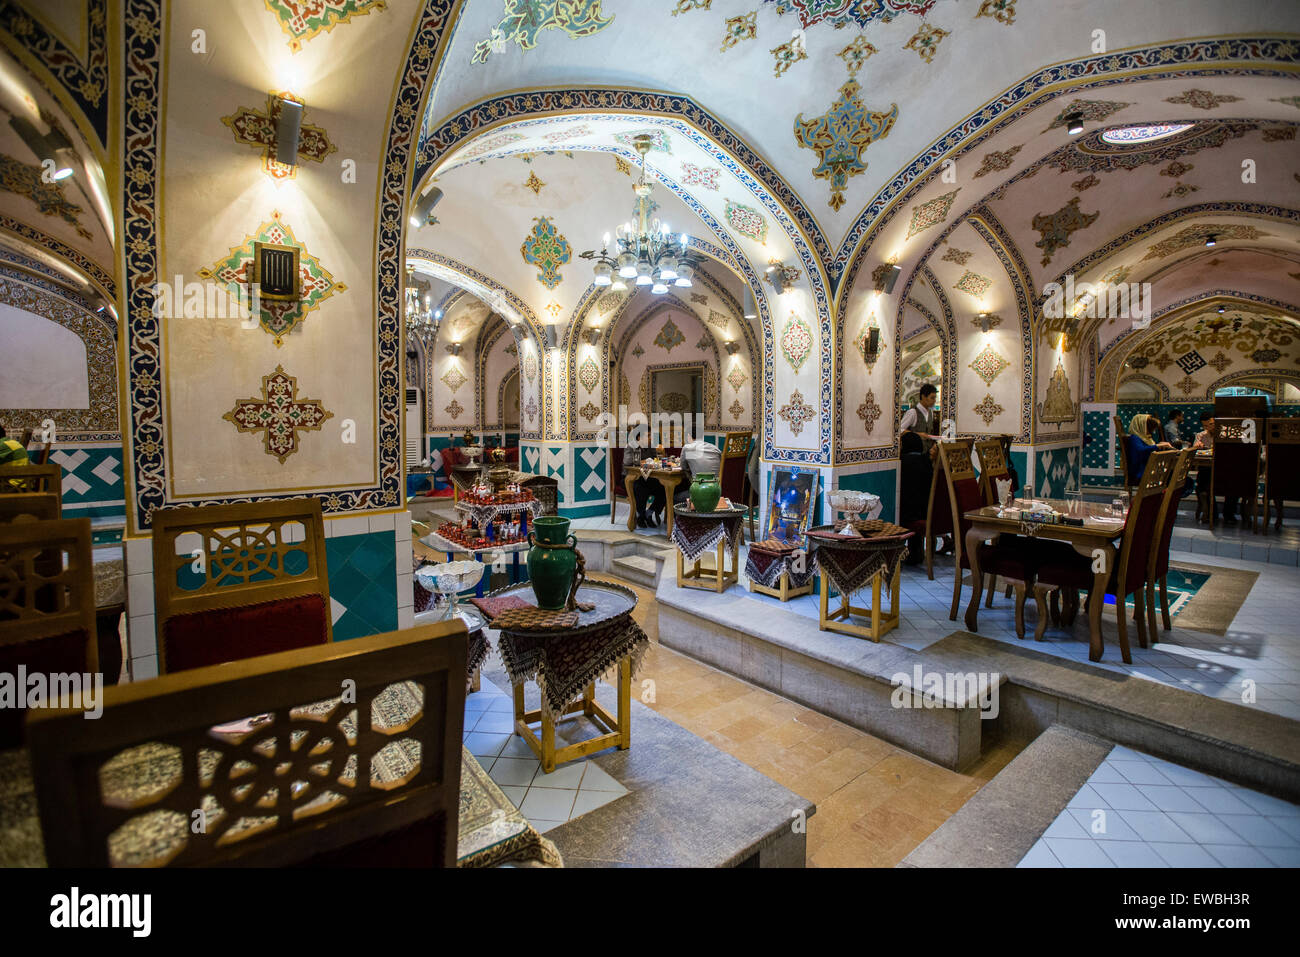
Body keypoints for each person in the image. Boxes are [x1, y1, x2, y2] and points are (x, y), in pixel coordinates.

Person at [899, 430, 935, 564]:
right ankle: (916, 552)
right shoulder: (926, 461)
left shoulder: (902, 462)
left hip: (910, 514)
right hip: (928, 511)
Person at [623, 441, 665, 528]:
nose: (650, 437)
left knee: (664, 488)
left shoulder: (650, 445)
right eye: (647, 435)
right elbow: (627, 462)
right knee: (641, 489)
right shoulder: (630, 446)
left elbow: (654, 459)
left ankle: (649, 513)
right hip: (631, 478)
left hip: (647, 477)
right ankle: (640, 515)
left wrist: (654, 462)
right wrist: (643, 462)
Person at [1124, 413, 1172, 485]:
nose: (1152, 432)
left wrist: (1159, 445)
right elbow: (1141, 451)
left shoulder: (1144, 438)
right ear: (1142, 426)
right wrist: (1157, 446)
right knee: (1171, 477)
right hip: (1141, 472)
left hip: (1147, 469)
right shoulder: (1135, 438)